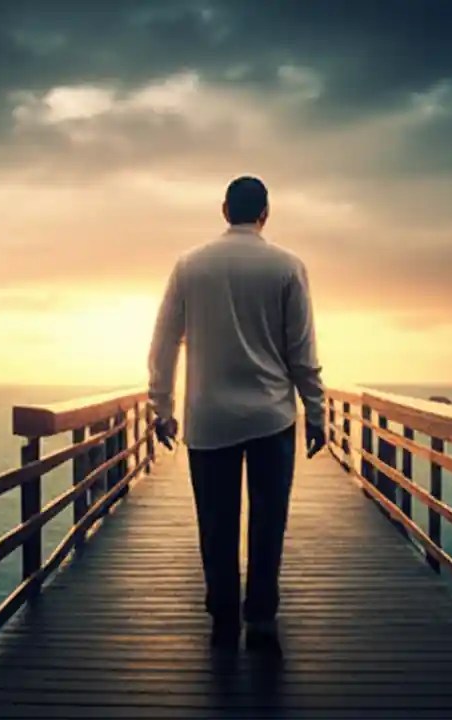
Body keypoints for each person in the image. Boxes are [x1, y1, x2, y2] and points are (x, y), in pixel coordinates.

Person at [147, 175, 326, 651]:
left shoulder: (190, 266)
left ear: (224, 210)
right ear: (266, 213)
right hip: (272, 419)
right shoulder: (288, 267)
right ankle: (261, 616)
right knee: (269, 520)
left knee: (216, 519)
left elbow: (165, 343)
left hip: (209, 419)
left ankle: (224, 613)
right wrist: (317, 411)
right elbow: (301, 351)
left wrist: (161, 407)